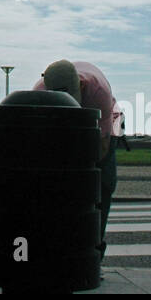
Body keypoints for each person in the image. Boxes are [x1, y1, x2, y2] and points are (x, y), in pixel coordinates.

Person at [34, 60, 121, 262]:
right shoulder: (39, 90)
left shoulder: (98, 91)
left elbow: (101, 148)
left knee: (103, 183)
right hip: (60, 128)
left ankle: (94, 252)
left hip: (105, 123)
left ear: (80, 88)